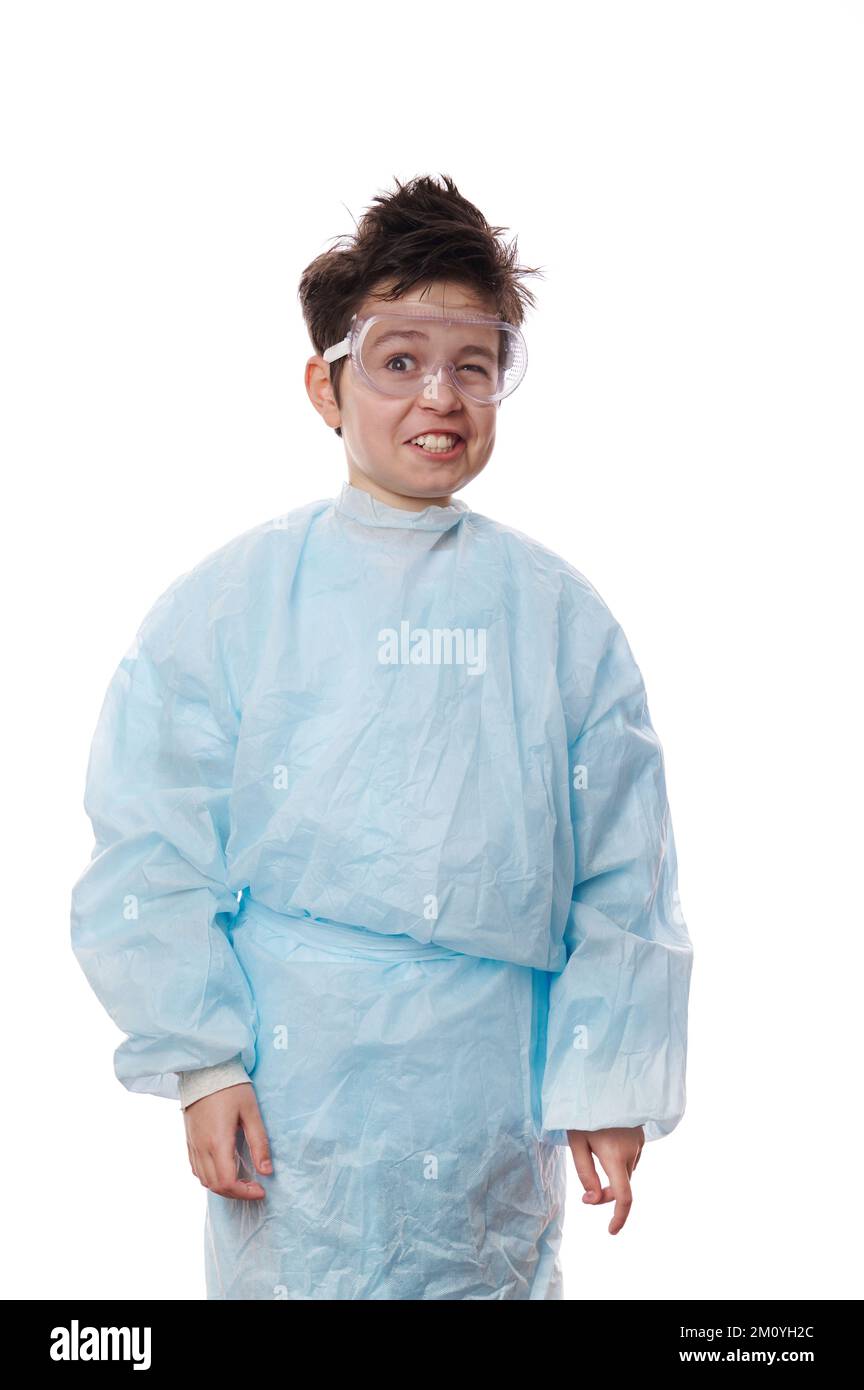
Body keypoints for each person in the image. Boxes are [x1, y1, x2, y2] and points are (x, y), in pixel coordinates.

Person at [70, 173, 693, 1301]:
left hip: (487, 1099)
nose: (437, 397)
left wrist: (605, 1075)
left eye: (473, 365)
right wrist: (202, 1059)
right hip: (295, 1096)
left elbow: (623, 865)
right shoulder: (236, 603)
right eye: (399, 361)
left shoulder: (557, 618)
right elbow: (153, 843)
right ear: (327, 385)